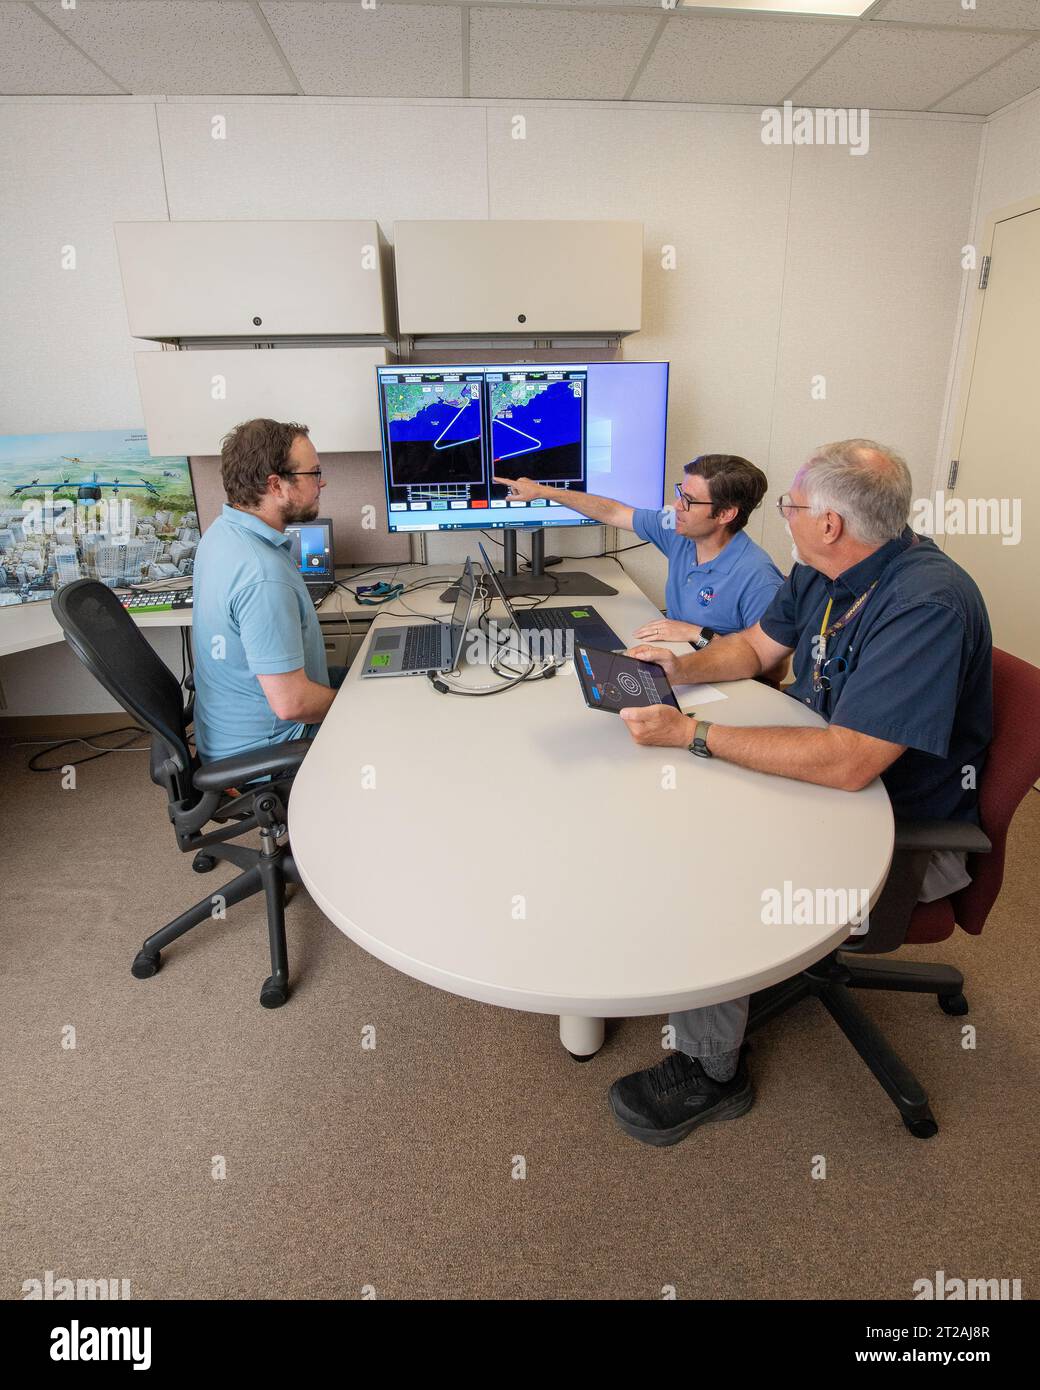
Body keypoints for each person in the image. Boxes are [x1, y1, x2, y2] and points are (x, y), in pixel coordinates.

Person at [609, 439, 992, 1147]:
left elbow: (850, 762)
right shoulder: (823, 568)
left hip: (897, 832)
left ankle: (712, 1072)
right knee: (672, 807)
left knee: (709, 866)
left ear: (830, 524)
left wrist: (689, 732)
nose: (781, 514)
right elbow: (755, 648)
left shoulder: (926, 604)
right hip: (830, 788)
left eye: (791, 504)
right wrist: (680, 667)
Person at [496, 454, 784, 647]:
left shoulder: (757, 577)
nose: (675, 506)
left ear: (725, 514)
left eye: (690, 501)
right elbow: (613, 512)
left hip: (728, 688)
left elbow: (771, 667)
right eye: (679, 493)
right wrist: (545, 492)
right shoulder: (679, 531)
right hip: (678, 661)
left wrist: (698, 635)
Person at [192, 418, 343, 763]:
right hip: (272, 751)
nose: (323, 482)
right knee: (396, 716)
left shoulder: (220, 534)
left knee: (376, 677)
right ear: (276, 485)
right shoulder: (262, 575)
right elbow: (293, 705)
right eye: (313, 474)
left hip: (228, 735)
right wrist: (356, 704)